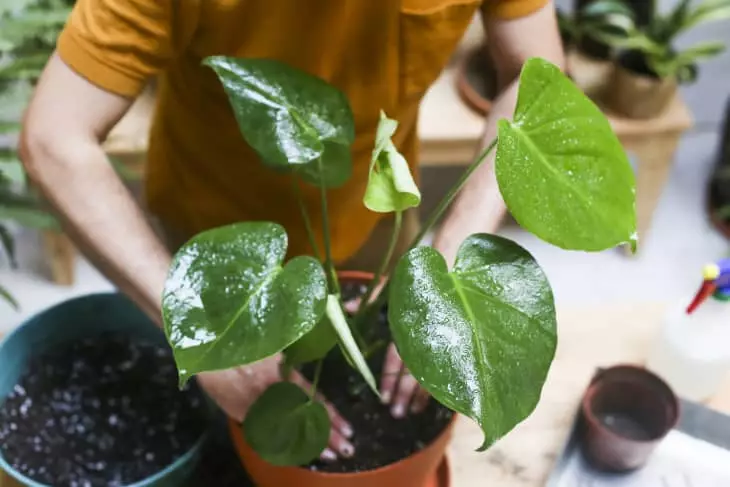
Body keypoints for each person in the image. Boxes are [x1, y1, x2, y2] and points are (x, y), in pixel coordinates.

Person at [19, 0, 564, 461]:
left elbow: (534, 74)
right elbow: (53, 137)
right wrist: (207, 338)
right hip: (217, 243)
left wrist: (446, 260)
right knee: (228, 429)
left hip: (378, 218)